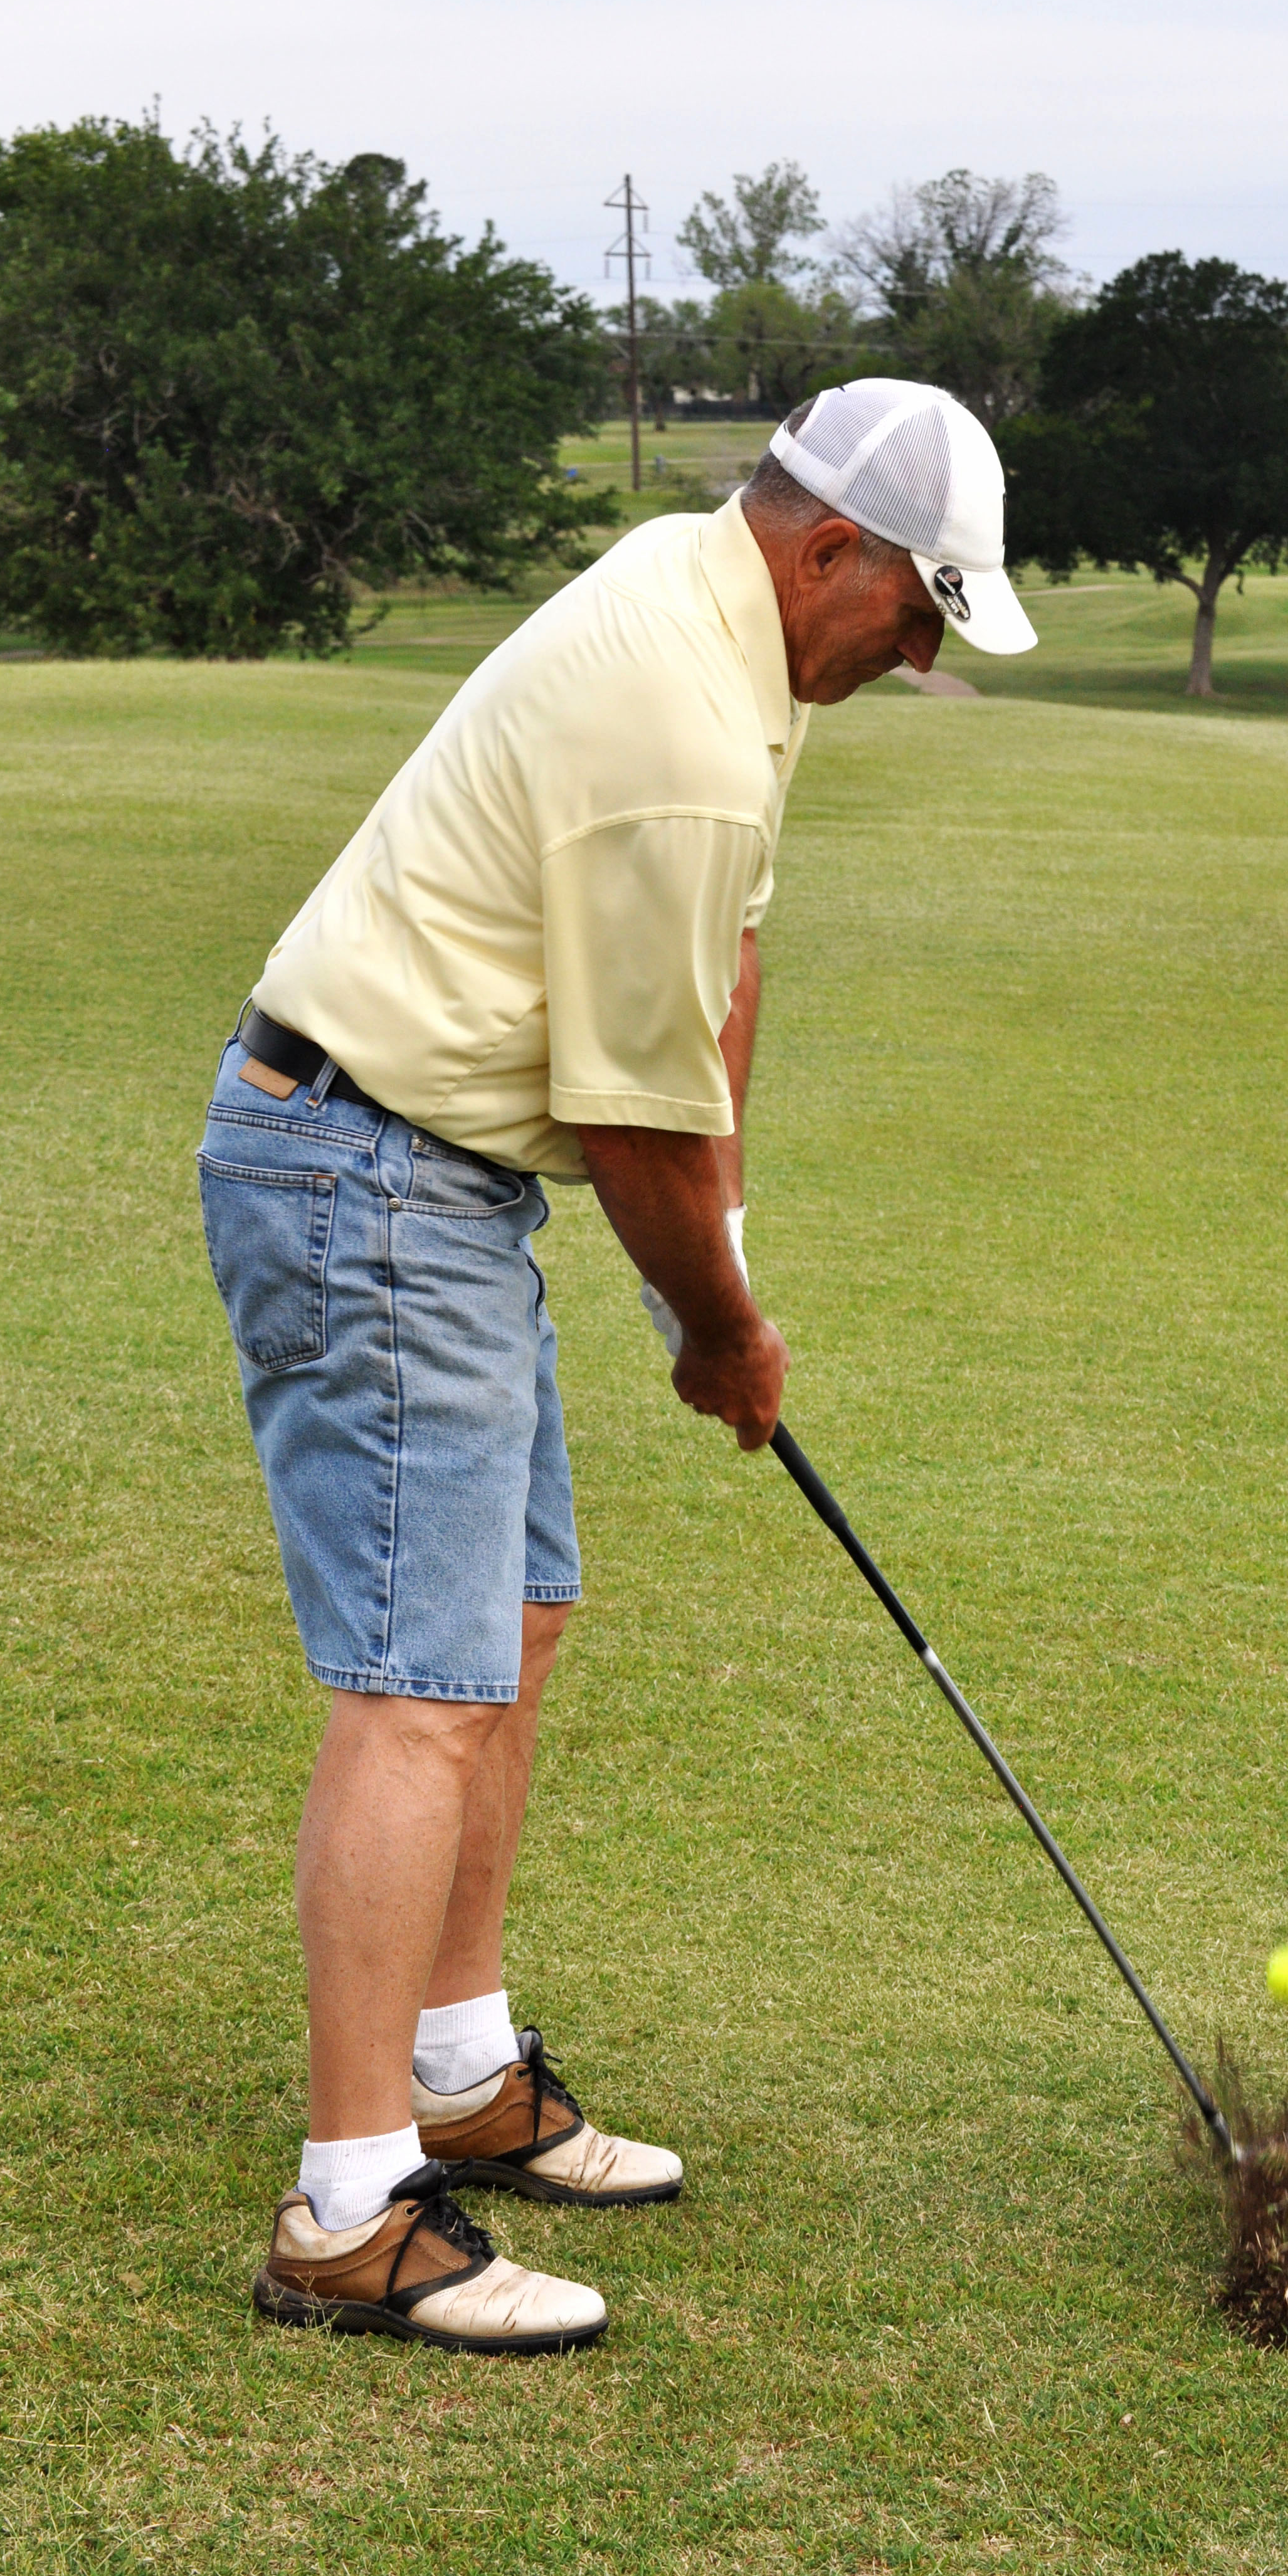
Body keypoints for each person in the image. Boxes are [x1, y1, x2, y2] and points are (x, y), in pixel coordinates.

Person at [197, 379, 1037, 2355]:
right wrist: (723, 1339)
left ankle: (461, 2066)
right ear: (827, 546)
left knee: (521, 1613)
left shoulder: (729, 627)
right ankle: (346, 2210)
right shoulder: (680, 710)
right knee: (420, 1685)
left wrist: (712, 1276)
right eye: (920, 611)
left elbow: (719, 973)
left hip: (442, 1175)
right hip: (369, 1166)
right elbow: (639, 1121)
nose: (921, 656)